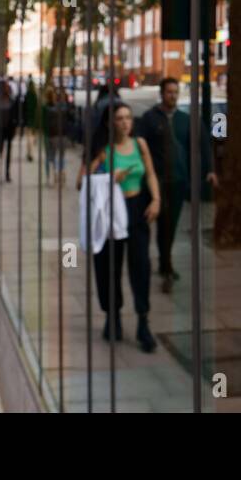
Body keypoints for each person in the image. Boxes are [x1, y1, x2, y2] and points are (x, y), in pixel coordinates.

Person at [78, 103, 160, 352]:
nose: (125, 122)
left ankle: (143, 322)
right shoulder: (103, 150)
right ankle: (112, 317)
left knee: (141, 267)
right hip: (111, 212)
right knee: (108, 267)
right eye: (119, 118)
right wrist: (110, 177)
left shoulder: (140, 145)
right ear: (110, 123)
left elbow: (150, 175)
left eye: (128, 118)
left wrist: (156, 199)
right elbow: (82, 182)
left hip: (137, 210)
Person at [138, 78, 216, 294]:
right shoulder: (149, 119)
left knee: (170, 225)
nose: (172, 95)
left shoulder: (187, 120)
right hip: (156, 183)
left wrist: (209, 169)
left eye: (175, 92)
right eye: (169, 92)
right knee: (163, 224)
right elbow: (139, 147)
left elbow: (204, 144)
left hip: (179, 181)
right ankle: (166, 266)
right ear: (161, 94)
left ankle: (165, 261)